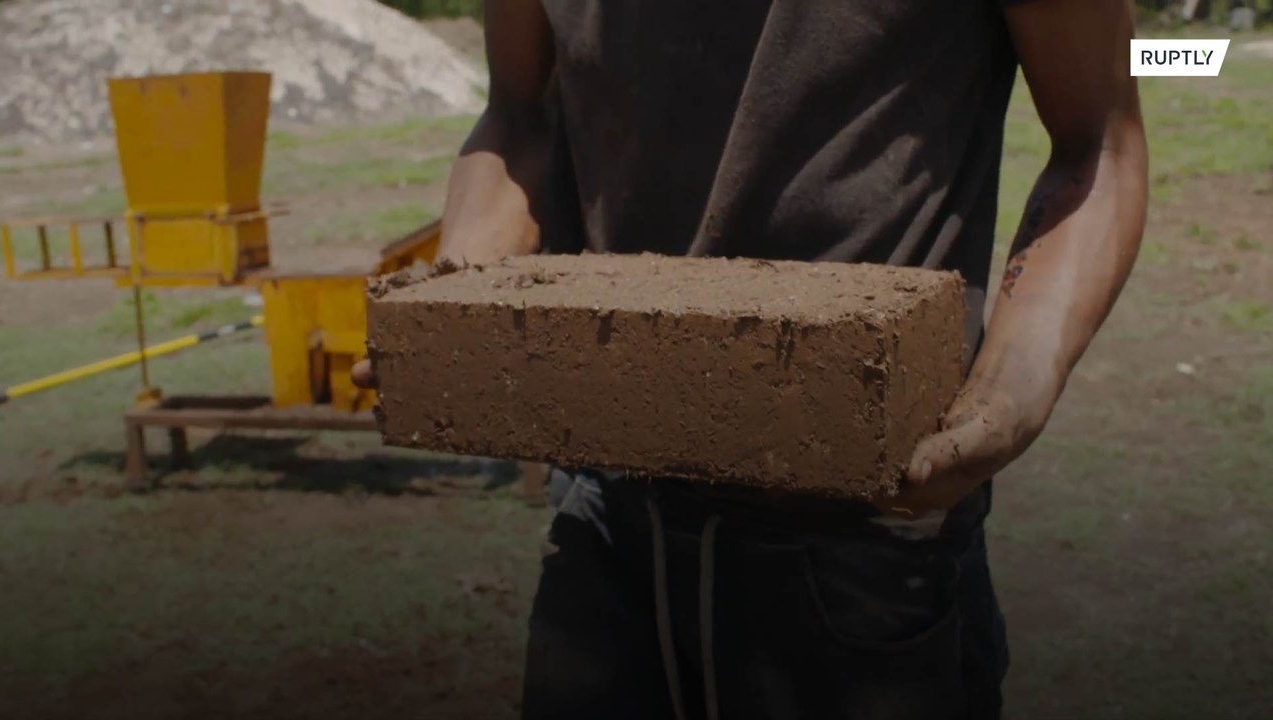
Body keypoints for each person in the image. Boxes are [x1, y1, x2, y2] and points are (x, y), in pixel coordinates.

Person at [353, 0, 1147, 717]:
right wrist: (454, 323)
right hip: (604, 514)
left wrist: (1012, 389)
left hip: (859, 544)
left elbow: (1098, 141)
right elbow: (521, 113)